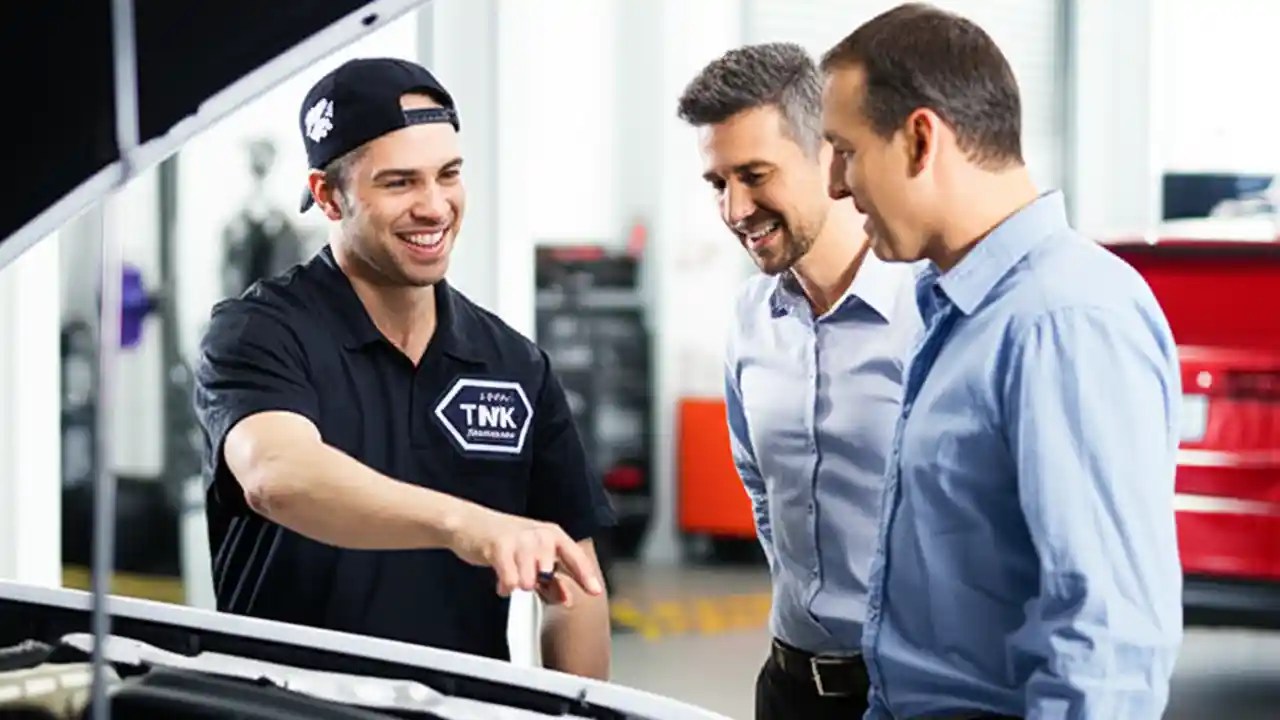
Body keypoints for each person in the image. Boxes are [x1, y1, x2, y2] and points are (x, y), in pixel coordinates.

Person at [192, 57, 615, 679]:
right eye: (399, 183)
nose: (435, 205)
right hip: (284, 706)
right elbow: (276, 475)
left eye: (448, 174)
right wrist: (465, 525)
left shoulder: (512, 364)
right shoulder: (261, 332)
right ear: (328, 196)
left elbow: (574, 580)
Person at [818, 5, 1184, 719]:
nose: (835, 184)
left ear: (921, 140)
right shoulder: (962, 309)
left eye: (846, 149)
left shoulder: (1064, 321)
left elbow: (1106, 647)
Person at [676, 43, 922, 719]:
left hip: (911, 696)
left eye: (755, 175)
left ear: (829, 156)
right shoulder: (752, 318)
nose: (734, 209)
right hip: (787, 690)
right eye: (717, 182)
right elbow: (763, 489)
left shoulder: (929, 315)